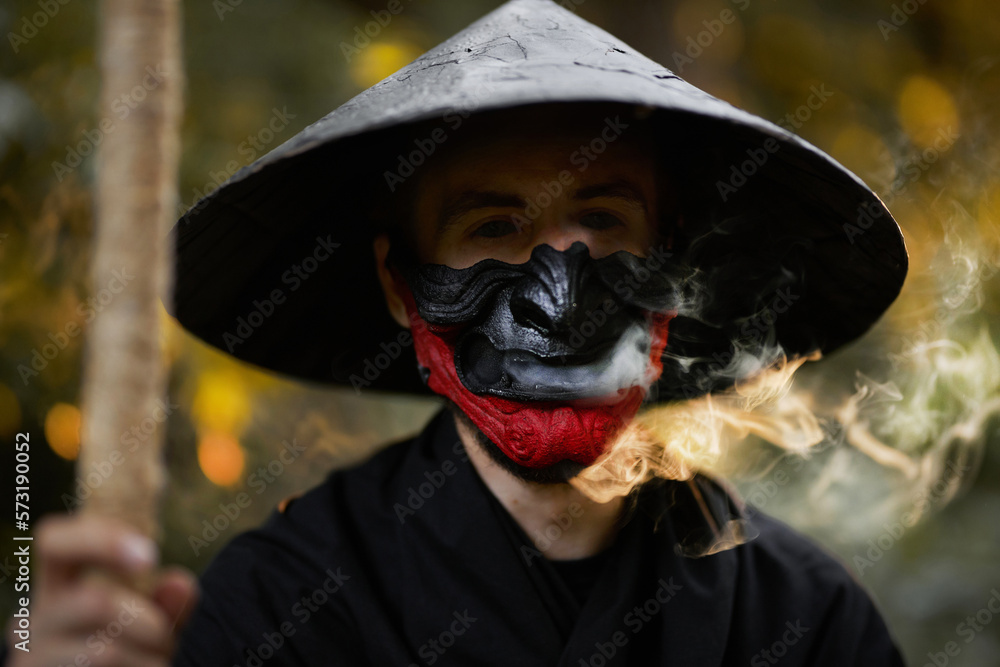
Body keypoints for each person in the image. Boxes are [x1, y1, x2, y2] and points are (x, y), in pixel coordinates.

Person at [4, 0, 909, 665]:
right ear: (400, 286)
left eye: (603, 221)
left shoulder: (800, 618)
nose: (560, 294)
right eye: (494, 228)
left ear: (669, 271)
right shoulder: (282, 605)